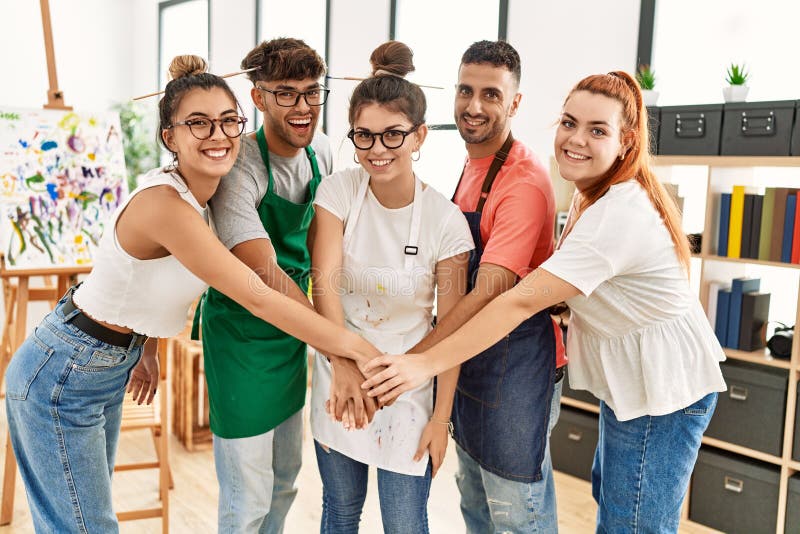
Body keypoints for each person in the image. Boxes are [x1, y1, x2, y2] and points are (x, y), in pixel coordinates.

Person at [4, 55, 381, 534]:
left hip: (103, 364)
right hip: (64, 371)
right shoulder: (168, 205)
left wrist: (146, 346)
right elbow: (259, 296)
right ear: (170, 137)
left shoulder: (200, 201)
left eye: (227, 122)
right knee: (83, 526)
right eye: (198, 124)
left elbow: (145, 280)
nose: (219, 136)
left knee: (86, 522)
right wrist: (352, 348)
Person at [364, 69, 728, 533]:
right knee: (617, 512)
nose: (575, 139)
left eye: (598, 130)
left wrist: (424, 364)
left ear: (627, 141)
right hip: (634, 389)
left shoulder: (617, 212)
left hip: (665, 390)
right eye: (569, 122)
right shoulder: (589, 194)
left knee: (631, 525)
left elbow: (514, 302)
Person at [381, 40, 567, 532]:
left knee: (516, 516)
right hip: (474, 359)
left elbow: (485, 292)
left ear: (515, 103)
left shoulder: (523, 181)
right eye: (466, 90)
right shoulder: (472, 163)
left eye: (491, 94)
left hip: (517, 369)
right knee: (477, 506)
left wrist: (420, 357)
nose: (474, 106)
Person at [308, 41, 473, 533]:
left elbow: (451, 330)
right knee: (339, 511)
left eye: (393, 135)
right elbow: (325, 286)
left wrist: (441, 418)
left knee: (404, 521)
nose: (377, 150)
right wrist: (342, 365)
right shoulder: (338, 192)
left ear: (420, 135)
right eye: (364, 136)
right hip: (340, 375)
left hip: (410, 386)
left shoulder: (446, 223)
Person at [196, 37, 332, 534]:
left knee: (285, 480)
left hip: (294, 331)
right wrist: (333, 341)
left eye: (312, 92)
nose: (302, 107)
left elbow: (326, 248)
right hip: (243, 334)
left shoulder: (322, 152)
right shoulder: (240, 166)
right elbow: (265, 271)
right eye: (286, 93)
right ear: (258, 98)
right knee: (247, 495)